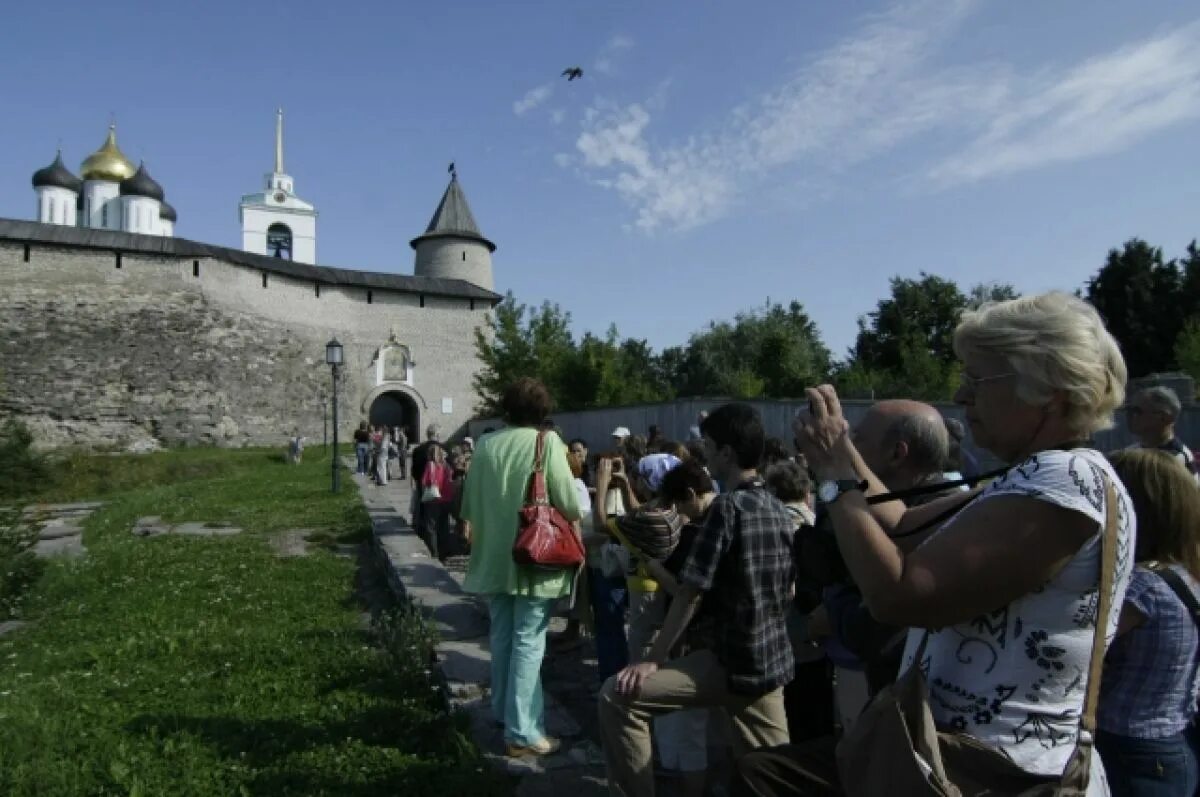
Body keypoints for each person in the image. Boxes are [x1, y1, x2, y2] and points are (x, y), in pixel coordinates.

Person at [748, 292, 1133, 796]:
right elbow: (901, 522)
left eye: (979, 380)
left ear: (1051, 390)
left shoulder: (1064, 479)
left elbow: (898, 597)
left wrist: (834, 477)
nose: (961, 395)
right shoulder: (1033, 474)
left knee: (756, 779)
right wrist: (840, 449)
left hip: (995, 773)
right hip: (953, 760)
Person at [598, 402, 795, 797]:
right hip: (770, 663)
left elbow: (690, 591)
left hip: (729, 662)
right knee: (778, 773)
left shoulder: (727, 507)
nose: (702, 456)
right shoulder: (777, 506)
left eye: (707, 445)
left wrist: (654, 657)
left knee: (616, 698)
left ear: (726, 453)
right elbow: (786, 589)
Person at [458, 378, 581, 758]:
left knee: (503, 636)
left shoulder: (485, 445)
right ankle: (523, 732)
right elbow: (569, 503)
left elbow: (468, 505)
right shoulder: (548, 443)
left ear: (506, 409)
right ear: (542, 411)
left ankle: (502, 713)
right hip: (533, 557)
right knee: (530, 641)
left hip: (494, 556)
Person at [1098, 449, 1200, 796]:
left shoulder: (1141, 588)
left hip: (1130, 752)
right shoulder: (1186, 575)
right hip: (1168, 744)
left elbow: (1078, 653)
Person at [1126, 386, 1200, 485]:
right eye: (1130, 410)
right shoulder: (1131, 451)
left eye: (1137, 411)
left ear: (1163, 418)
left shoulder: (1176, 459)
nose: (1131, 416)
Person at [420, 444, 454, 560]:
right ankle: (444, 551)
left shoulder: (430, 465)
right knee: (444, 526)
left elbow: (425, 482)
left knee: (431, 527)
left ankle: (434, 553)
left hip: (434, 499)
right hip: (447, 499)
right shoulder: (447, 466)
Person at [410, 424, 441, 526]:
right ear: (437, 434)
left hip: (423, 483)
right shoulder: (444, 448)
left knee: (424, 509)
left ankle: (424, 532)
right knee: (441, 514)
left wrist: (418, 479)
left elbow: (414, 470)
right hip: (442, 484)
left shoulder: (418, 449)